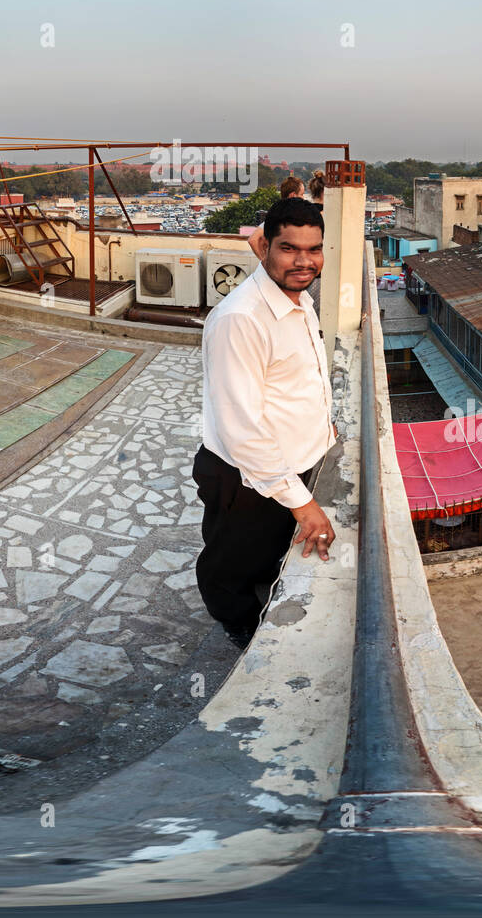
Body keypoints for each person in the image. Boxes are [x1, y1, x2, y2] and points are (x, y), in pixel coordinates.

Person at [195, 194, 338, 649]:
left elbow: (303, 378)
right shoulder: (241, 318)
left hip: (286, 467)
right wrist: (301, 503)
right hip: (247, 476)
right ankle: (238, 627)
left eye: (313, 249)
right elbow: (243, 428)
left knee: (264, 554)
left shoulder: (298, 298)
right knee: (229, 564)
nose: (304, 261)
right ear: (264, 247)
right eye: (289, 248)